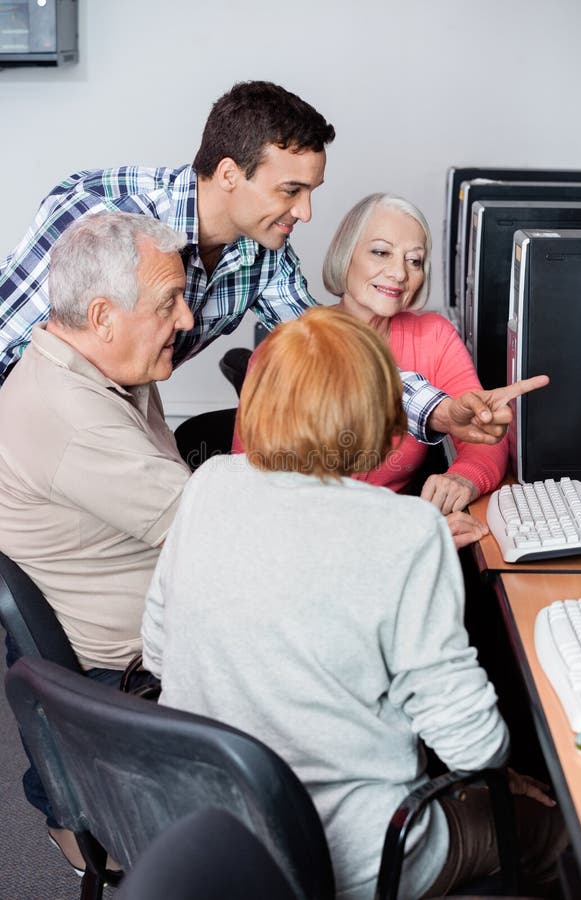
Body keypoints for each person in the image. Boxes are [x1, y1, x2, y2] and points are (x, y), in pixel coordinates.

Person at [143, 307, 566, 900]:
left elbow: (159, 656)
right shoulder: (408, 529)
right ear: (375, 415)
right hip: (363, 856)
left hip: (213, 835)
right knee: (560, 825)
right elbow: (475, 747)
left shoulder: (209, 482)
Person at [0, 79, 542, 448]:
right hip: (40, 440)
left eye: (311, 192)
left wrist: (442, 412)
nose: (305, 213)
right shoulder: (101, 211)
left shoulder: (264, 255)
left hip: (119, 425)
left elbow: (337, 352)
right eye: (290, 190)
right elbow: (8, 339)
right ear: (231, 173)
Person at [0, 211, 192, 870]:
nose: (189, 320)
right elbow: (215, 530)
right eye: (170, 302)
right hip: (134, 676)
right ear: (104, 317)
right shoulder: (74, 418)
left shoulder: (95, 366)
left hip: (139, 638)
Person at [323, 192, 507, 548]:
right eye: (381, 252)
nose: (399, 273)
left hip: (396, 547)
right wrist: (408, 537)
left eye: (415, 260)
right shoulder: (293, 345)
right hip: (316, 551)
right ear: (346, 254)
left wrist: (463, 478)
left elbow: (483, 436)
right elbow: (263, 497)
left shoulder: (432, 335)